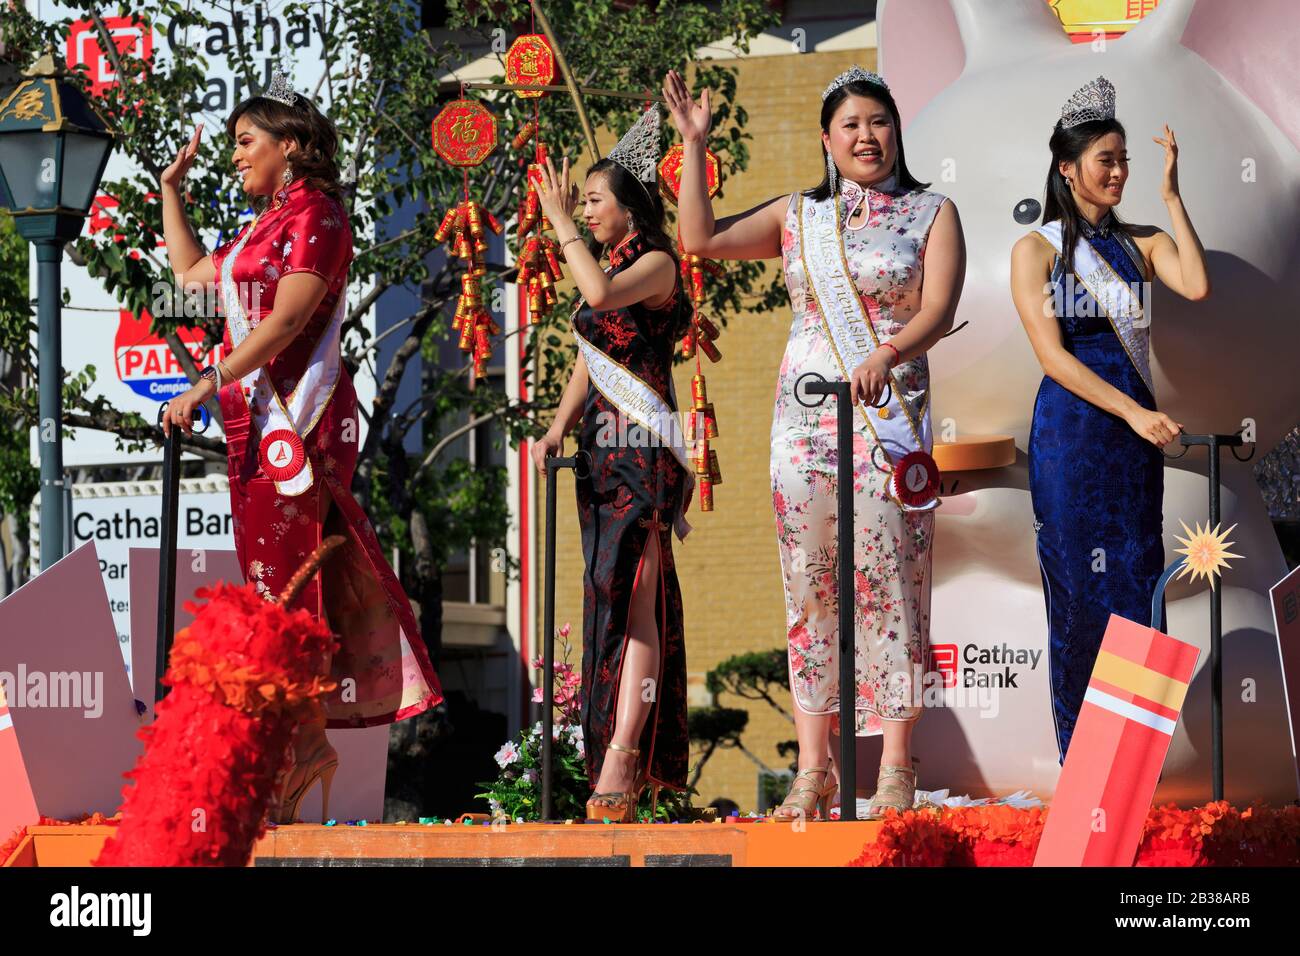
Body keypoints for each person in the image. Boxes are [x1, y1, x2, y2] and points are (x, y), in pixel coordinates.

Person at [664, 66, 965, 818]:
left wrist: (886, 355)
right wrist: (694, 147)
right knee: (810, 582)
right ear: (828, 140)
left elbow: (939, 306)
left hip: (886, 413)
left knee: (891, 574)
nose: (867, 136)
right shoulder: (800, 215)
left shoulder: (933, 211)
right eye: (851, 125)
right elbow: (697, 239)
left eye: (879, 121)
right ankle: (816, 768)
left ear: (897, 129)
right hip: (803, 420)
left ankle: (896, 760)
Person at [159, 72, 443, 822]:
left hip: (303, 419)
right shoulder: (261, 226)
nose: (235, 158)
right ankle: (301, 743)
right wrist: (169, 190)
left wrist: (202, 382)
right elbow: (190, 276)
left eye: (246, 142)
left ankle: (291, 749)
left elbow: (285, 324)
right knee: (271, 586)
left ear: (290, 147)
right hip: (257, 423)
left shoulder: (318, 216)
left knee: (287, 584)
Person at [1010, 76, 1210, 762]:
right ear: (1068, 168)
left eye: (1125, 159)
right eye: (1107, 160)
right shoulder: (1034, 250)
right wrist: (1134, 411)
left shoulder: (1142, 241)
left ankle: (1131, 766)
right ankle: (1082, 763)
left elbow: (1197, 283)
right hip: (1073, 433)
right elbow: (1053, 358)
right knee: (1076, 595)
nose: (1120, 171)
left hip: (1133, 445)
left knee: (1135, 581)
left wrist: (1173, 199)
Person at [530, 107, 693, 822]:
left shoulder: (655, 264)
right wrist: (556, 429)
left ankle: (628, 753)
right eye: (582, 201)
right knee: (606, 600)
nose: (584, 210)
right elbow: (588, 358)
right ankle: (607, 751)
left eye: (595, 199)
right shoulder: (612, 267)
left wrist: (560, 223)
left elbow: (595, 297)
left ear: (629, 206)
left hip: (645, 454)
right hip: (601, 453)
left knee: (635, 601)